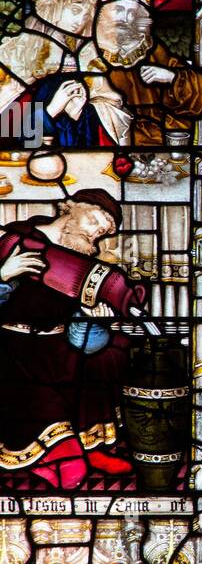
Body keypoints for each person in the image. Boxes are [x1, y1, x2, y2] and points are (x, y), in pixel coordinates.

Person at [0, 188, 142, 489]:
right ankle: (54, 450)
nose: (96, 234)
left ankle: (91, 444)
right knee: (72, 474)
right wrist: (2, 277)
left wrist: (94, 319)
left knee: (111, 352)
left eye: (103, 232)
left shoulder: (81, 265)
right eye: (95, 221)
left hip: (58, 350)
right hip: (14, 355)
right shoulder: (16, 242)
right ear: (70, 207)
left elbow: (84, 340)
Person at [0, 0, 131, 148]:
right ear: (54, 9)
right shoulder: (18, 55)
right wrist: (52, 110)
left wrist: (83, 112)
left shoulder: (88, 58)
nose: (80, 21)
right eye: (75, 11)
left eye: (86, 15)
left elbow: (111, 112)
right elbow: (7, 127)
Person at [92, 0, 202, 147]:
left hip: (155, 146)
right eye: (119, 10)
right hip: (95, 148)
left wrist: (172, 77)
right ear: (102, 14)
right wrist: (45, 123)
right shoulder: (85, 56)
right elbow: (45, 107)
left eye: (132, 14)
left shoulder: (154, 53)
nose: (125, 19)